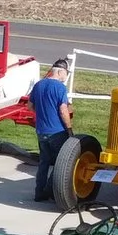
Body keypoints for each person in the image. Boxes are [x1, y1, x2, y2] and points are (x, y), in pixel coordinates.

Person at [29, 61, 73, 202]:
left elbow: (31, 106)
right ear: (60, 72)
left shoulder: (38, 85)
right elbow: (63, 110)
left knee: (44, 163)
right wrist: (69, 128)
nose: (66, 77)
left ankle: (39, 192)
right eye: (66, 73)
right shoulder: (60, 88)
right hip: (57, 132)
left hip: (41, 131)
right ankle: (49, 190)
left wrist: (42, 112)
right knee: (62, 164)